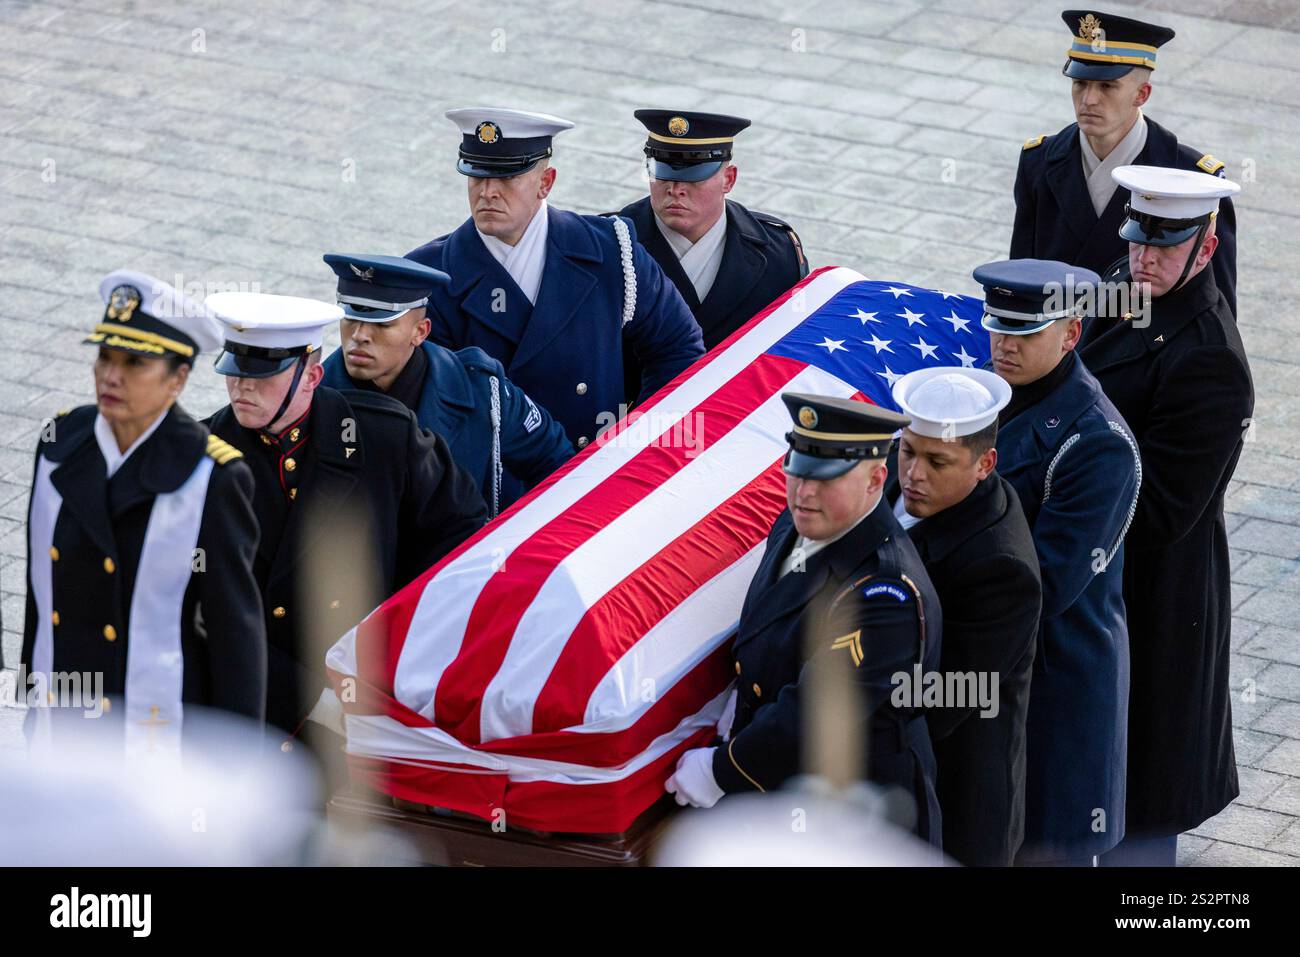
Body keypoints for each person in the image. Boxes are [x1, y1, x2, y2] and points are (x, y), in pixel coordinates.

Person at [203, 291, 487, 740]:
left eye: (264, 375)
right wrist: (313, 698)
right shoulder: (201, 463)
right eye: (234, 373)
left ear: (312, 375)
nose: (243, 388)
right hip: (261, 703)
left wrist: (404, 658)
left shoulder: (387, 438)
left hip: (378, 682)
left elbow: (458, 543)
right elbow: (202, 612)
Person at [665, 393, 944, 847]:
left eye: (825, 478)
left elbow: (815, 710)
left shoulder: (884, 590)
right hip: (783, 785)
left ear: (876, 479)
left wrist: (723, 770)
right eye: (797, 470)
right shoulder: (799, 522)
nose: (804, 491)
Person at [1079, 167, 1252, 867]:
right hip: (1100, 599)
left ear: (1204, 250)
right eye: (1136, 238)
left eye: (1163, 245)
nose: (1141, 257)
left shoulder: (1209, 360)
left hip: (1155, 604)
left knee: (1140, 812)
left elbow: (1157, 515)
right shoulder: (1122, 289)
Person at [18, 271, 266, 751]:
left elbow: (235, 635)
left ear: (178, 378)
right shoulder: (59, 445)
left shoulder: (211, 477)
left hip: (156, 737)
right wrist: (33, 711)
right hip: (65, 727)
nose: (111, 375)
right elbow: (40, 598)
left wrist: (234, 766)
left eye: (135, 362)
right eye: (105, 356)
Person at [406, 107, 705, 450]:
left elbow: (678, 347)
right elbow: (429, 406)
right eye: (477, 176)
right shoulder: (427, 278)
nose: (487, 192)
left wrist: (636, 446)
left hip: (594, 474)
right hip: (496, 490)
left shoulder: (610, 250)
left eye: (506, 177)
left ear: (545, 183)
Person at [979, 258, 1141, 865]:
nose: (1005, 346)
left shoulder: (1095, 444)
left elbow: (1045, 586)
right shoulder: (986, 399)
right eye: (998, 328)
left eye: (1025, 334)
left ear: (1071, 334)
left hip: (1057, 687)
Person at [887, 367, 1041, 867]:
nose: (913, 474)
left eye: (937, 462)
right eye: (908, 452)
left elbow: (950, 696)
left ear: (984, 463)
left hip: (954, 802)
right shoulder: (904, 481)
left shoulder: (1001, 569)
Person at [1010, 9, 1237, 315]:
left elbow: (1215, 304)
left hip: (1140, 351)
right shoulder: (1039, 162)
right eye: (1080, 83)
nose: (1088, 99)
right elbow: (1020, 277)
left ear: (1142, 94)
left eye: (1107, 87)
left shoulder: (1192, 178)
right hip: (1056, 345)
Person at [318, 253, 572, 516]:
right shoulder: (309, 400)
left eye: (381, 324)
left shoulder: (482, 391)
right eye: (350, 318)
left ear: (421, 331)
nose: (359, 336)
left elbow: (554, 460)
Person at [615, 110, 808, 398]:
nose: (675, 189)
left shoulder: (778, 250)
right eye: (663, 174)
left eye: (694, 177)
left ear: (728, 179)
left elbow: (787, 351)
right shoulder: (609, 244)